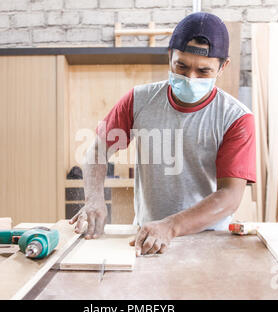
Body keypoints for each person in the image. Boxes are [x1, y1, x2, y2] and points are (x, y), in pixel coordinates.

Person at [70, 12, 256, 256]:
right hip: (146, 238)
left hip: (209, 240)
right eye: (182, 66)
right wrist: (94, 199)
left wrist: (171, 226)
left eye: (203, 71)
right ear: (170, 56)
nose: (191, 78)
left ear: (223, 67)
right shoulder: (139, 100)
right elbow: (98, 150)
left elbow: (230, 196)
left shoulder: (236, 118)